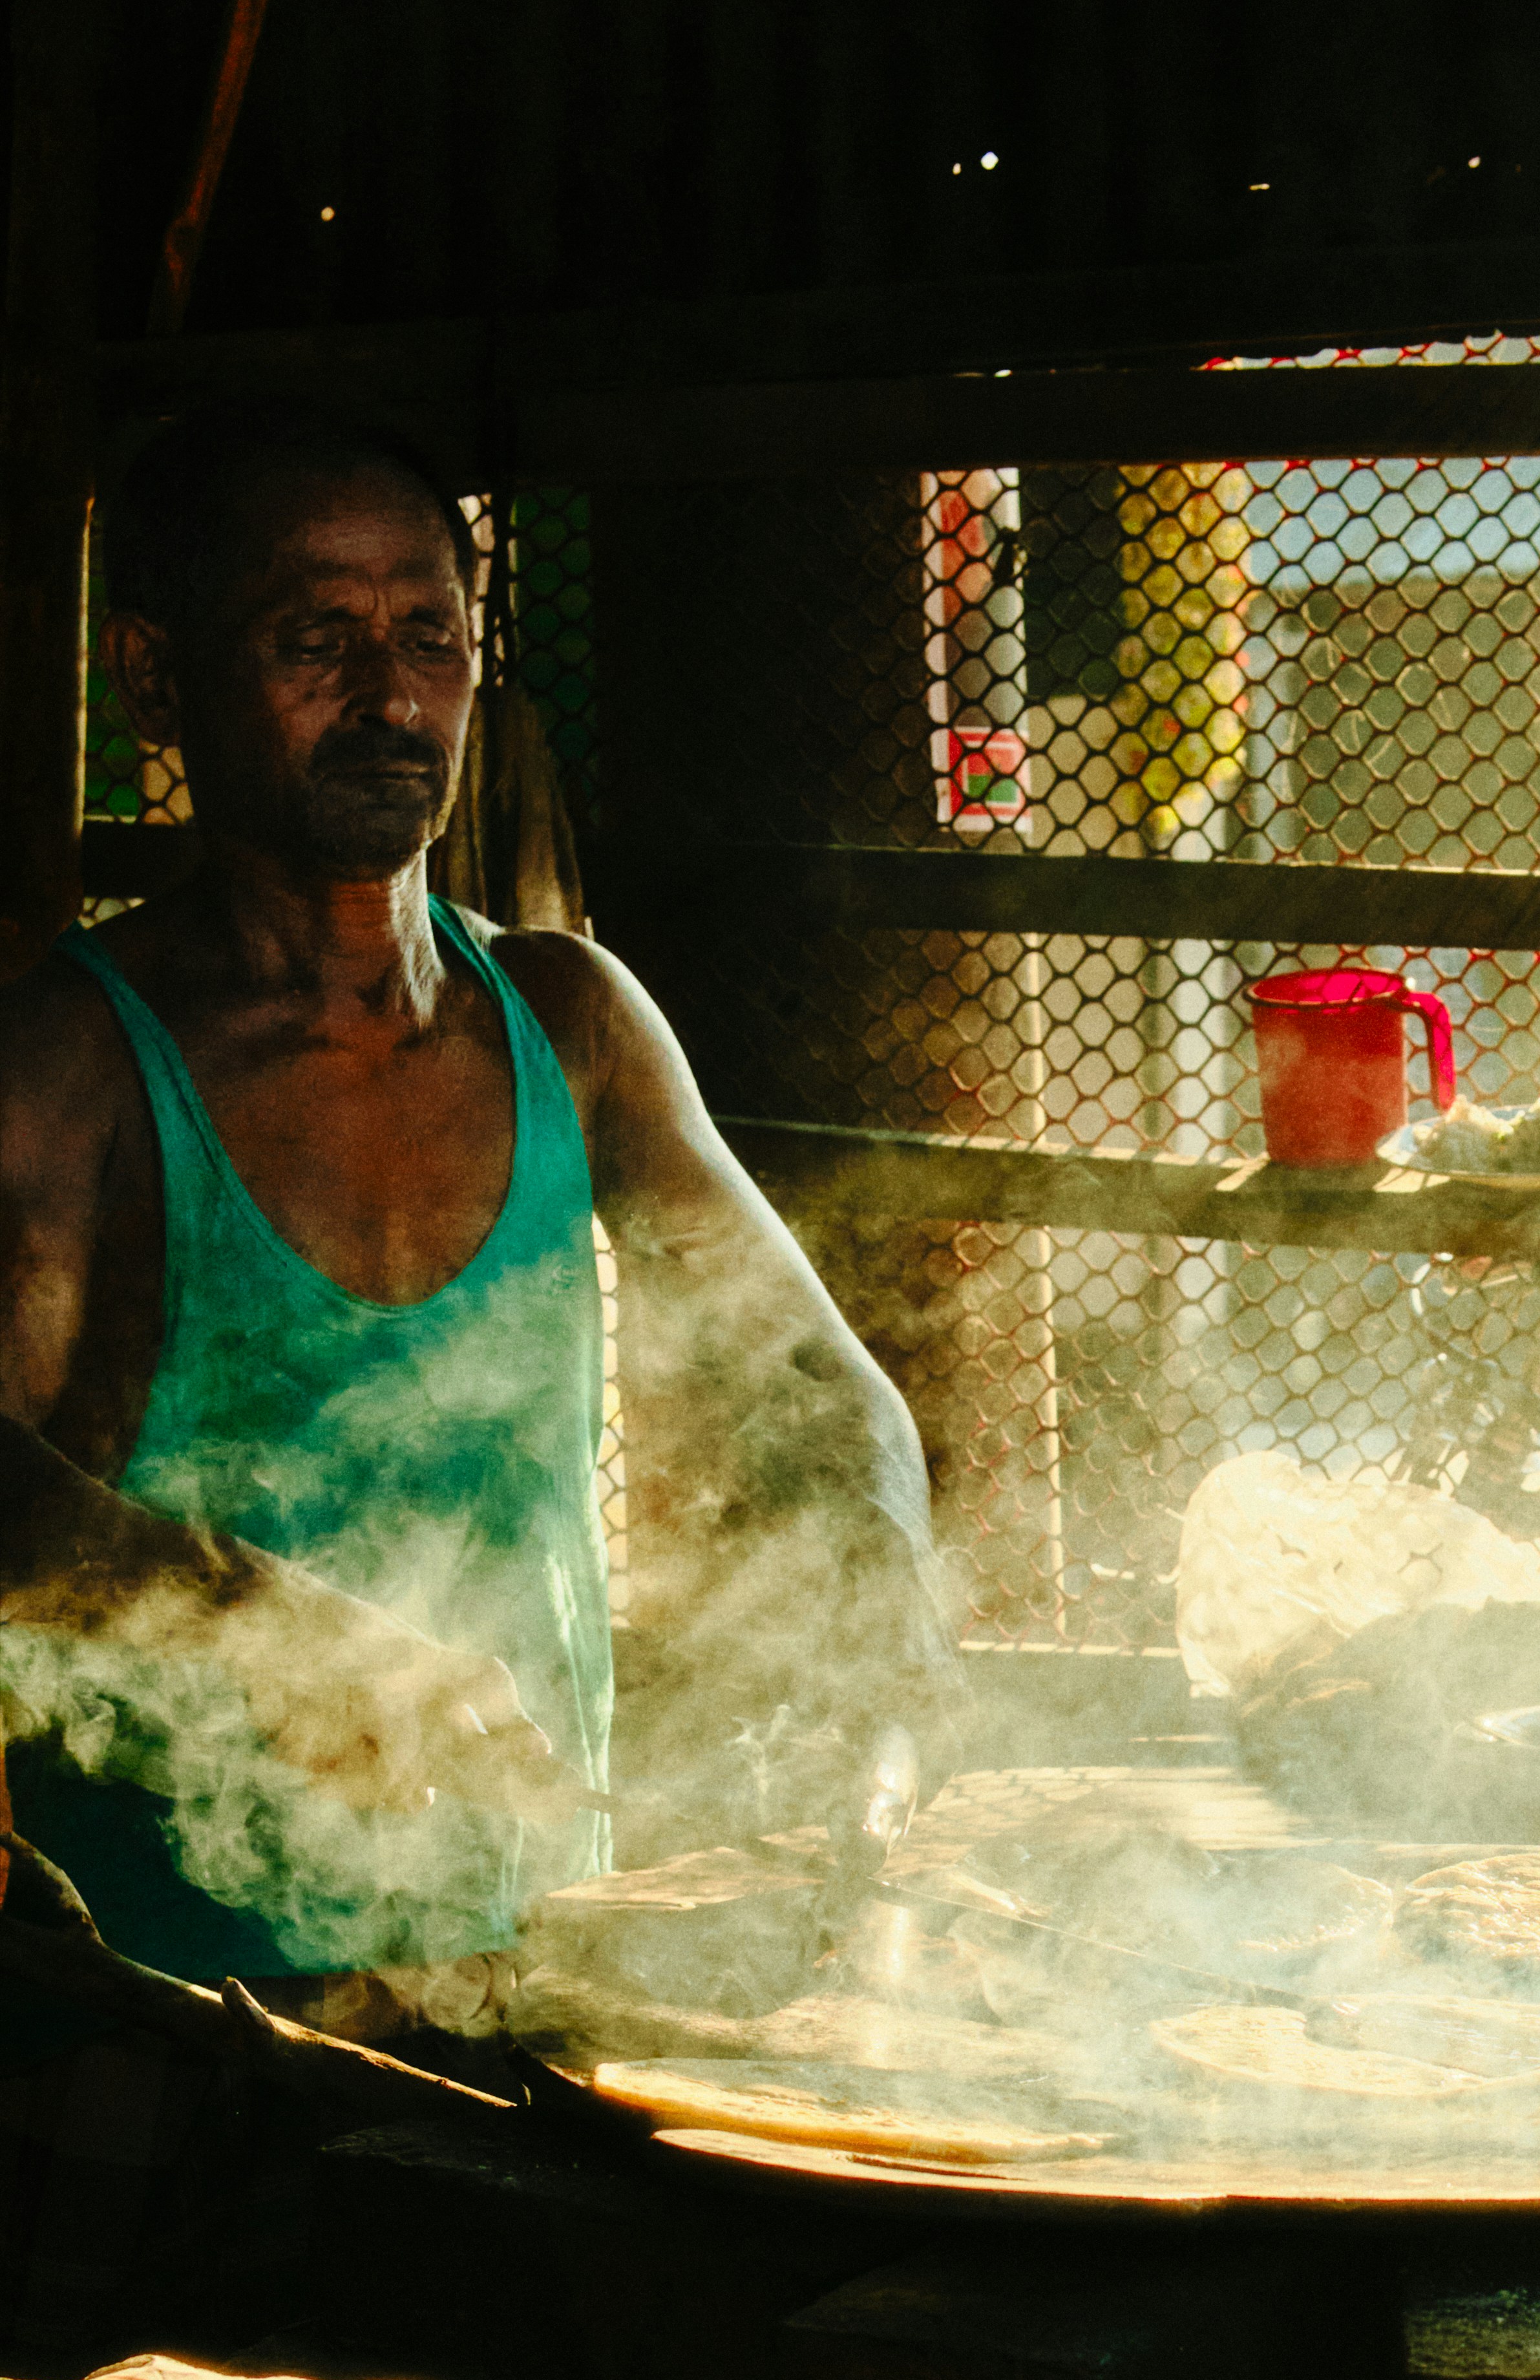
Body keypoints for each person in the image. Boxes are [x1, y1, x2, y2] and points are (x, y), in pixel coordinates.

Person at [0, 400, 953, 2056]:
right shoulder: (72, 1062)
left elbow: (818, 1386)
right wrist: (270, 1630)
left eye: (428, 636)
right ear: (157, 680)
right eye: (317, 640)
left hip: (542, 1958)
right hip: (174, 2020)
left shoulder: (569, 1020)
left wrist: (878, 1643)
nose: (389, 697)